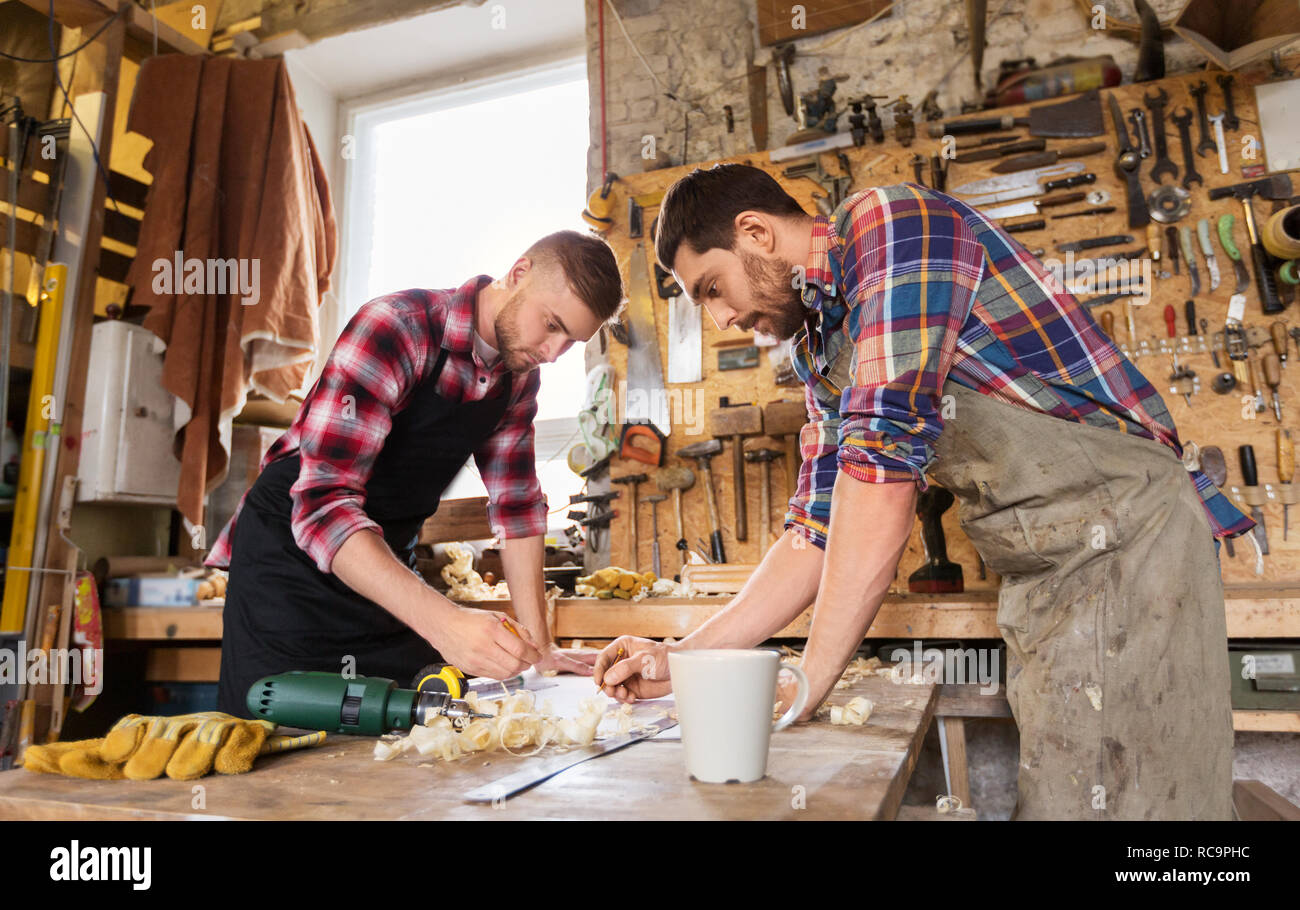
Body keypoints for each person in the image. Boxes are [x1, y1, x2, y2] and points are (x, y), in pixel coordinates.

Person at [593, 164, 1248, 820]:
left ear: (756, 233)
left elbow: (882, 476)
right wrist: (683, 659)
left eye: (712, 289)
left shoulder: (891, 227)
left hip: (1127, 538)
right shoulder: (819, 348)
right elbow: (814, 532)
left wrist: (809, 680)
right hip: (1046, 570)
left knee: (1135, 810)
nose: (724, 319)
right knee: (1071, 795)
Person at [210, 230, 623, 716]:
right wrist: (444, 622)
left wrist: (541, 648)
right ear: (518, 274)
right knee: (280, 738)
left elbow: (517, 509)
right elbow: (324, 505)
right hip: (291, 564)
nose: (553, 352)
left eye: (571, 341)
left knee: (407, 728)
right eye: (551, 325)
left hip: (382, 569)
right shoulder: (395, 328)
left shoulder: (518, 379)